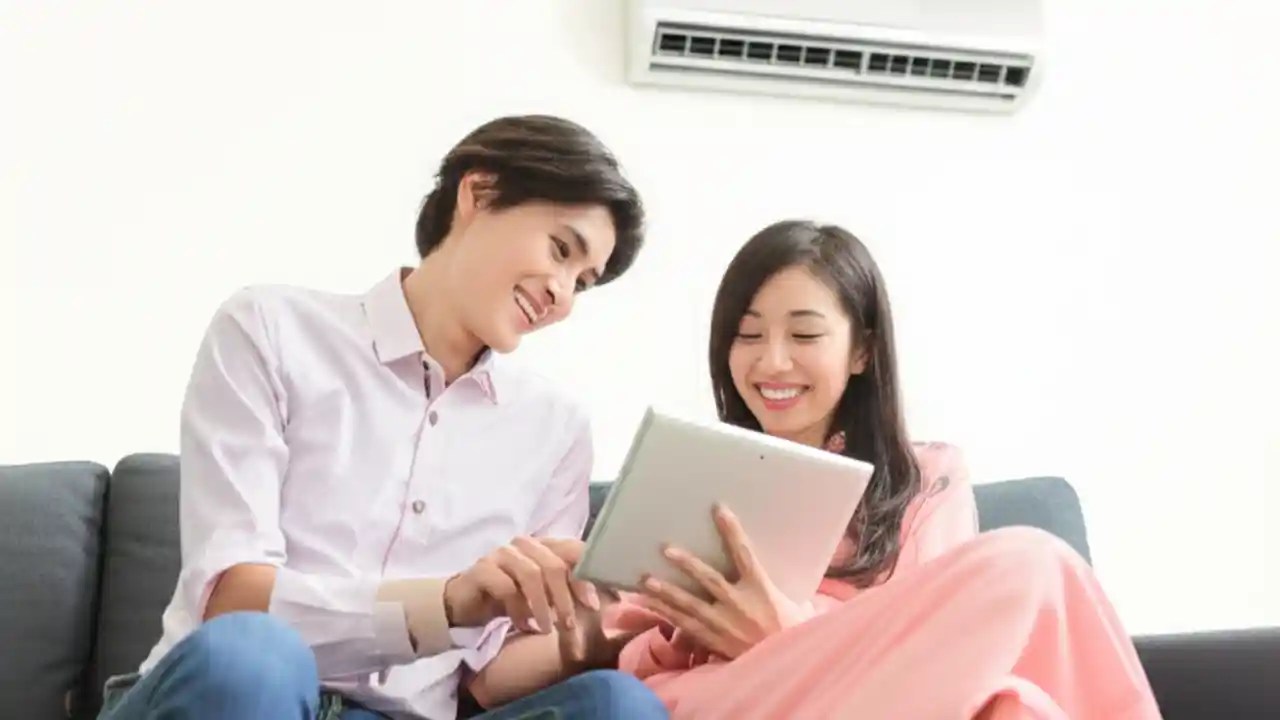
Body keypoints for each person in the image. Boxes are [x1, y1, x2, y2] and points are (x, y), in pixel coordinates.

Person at [98, 115, 668, 720]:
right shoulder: (270, 329)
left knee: (617, 704)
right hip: (228, 695)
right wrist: (445, 604)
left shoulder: (556, 430)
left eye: (583, 282)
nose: (562, 295)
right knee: (255, 658)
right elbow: (235, 603)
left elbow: (484, 681)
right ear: (479, 193)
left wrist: (594, 639)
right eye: (559, 250)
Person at [605, 220, 1161, 718]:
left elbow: (949, 645)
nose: (772, 361)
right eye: (748, 335)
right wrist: (694, 633)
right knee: (1032, 561)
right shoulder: (695, 471)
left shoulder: (925, 477)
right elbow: (623, 657)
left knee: (1017, 703)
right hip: (729, 696)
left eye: (804, 335)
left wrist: (792, 632)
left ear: (861, 352)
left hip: (884, 697)